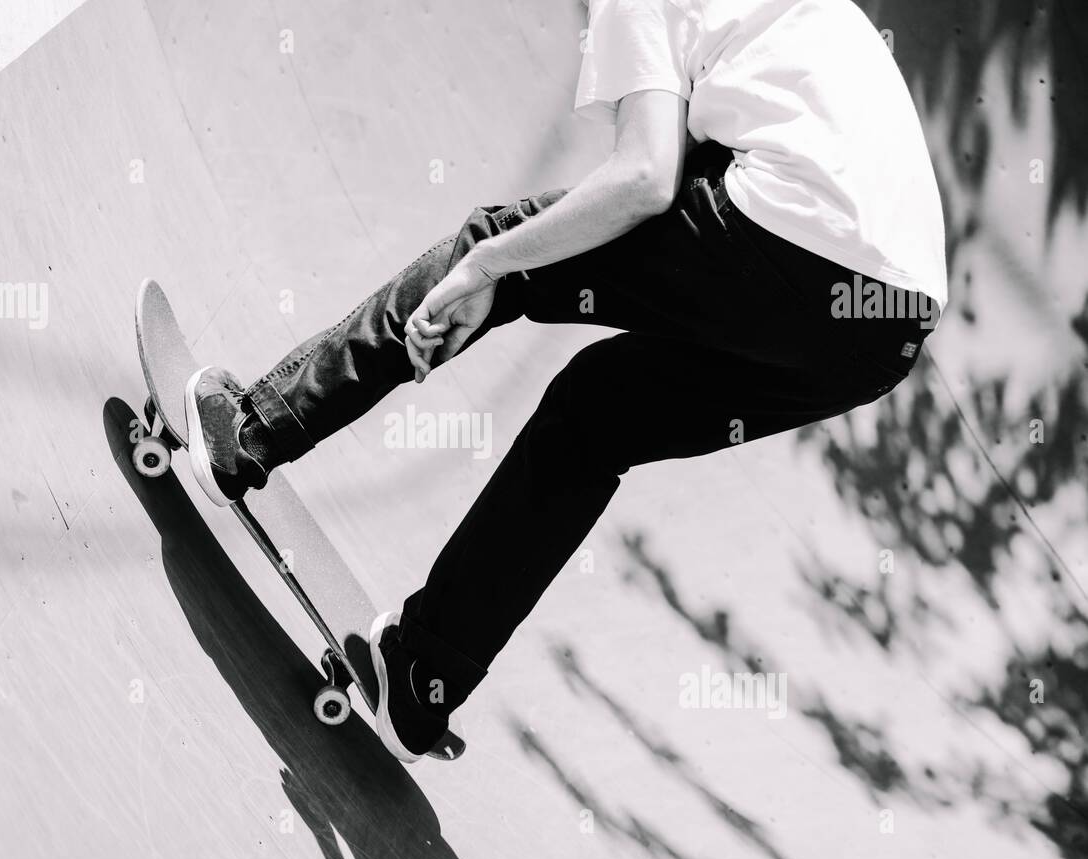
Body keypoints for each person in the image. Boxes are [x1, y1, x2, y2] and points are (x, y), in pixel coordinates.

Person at [182, 0, 948, 763]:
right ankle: (422, 679)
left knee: (496, 247)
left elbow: (646, 178)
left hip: (788, 233)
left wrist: (491, 265)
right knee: (598, 412)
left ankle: (249, 433)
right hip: (887, 330)